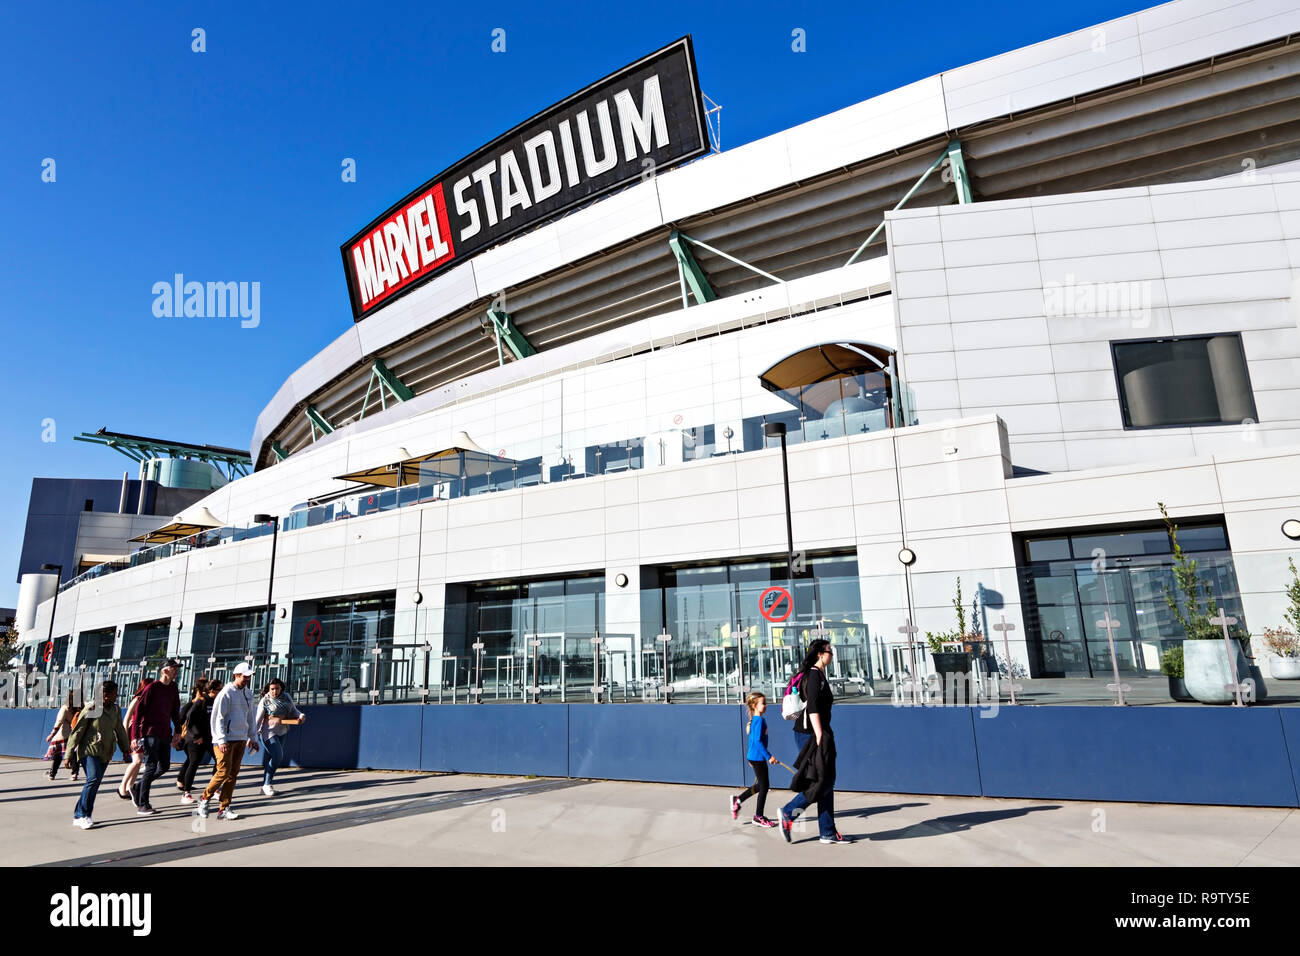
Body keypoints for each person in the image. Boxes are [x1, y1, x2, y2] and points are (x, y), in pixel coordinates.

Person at [780, 639, 851, 845]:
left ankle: (827, 832)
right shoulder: (813, 675)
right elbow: (812, 707)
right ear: (820, 654)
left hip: (817, 732)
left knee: (827, 781)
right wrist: (820, 735)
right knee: (821, 781)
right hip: (811, 734)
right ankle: (788, 812)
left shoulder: (818, 675)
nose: (832, 654)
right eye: (830, 651)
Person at [198, 662, 259, 821]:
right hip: (224, 740)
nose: (247, 679)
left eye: (249, 677)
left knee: (233, 774)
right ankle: (204, 798)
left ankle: (223, 808)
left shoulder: (248, 693)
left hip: (240, 738)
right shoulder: (226, 693)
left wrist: (253, 738)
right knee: (223, 771)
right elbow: (218, 718)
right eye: (244, 676)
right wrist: (221, 739)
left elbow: (250, 717)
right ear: (236, 676)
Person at [65, 680, 130, 830]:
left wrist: (125, 749)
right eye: (114, 693)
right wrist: (68, 755)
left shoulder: (115, 709)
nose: (117, 696)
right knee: (93, 779)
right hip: (89, 750)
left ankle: (78, 814)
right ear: (105, 695)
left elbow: (119, 729)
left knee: (93, 783)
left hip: (106, 751)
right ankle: (84, 815)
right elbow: (77, 732)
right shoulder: (92, 708)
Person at [128, 659, 184, 815]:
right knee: (151, 765)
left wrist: (178, 731)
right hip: (150, 733)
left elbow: (175, 710)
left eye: (177, 669)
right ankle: (143, 804)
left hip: (165, 732)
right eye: (173, 668)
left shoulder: (173, 688)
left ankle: (138, 786)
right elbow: (138, 712)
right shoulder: (152, 688)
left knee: (164, 766)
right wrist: (135, 736)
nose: (176, 671)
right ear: (164, 670)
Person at [731, 691, 778, 828]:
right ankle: (758, 816)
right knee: (764, 786)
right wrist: (769, 756)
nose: (766, 705)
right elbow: (757, 741)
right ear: (755, 706)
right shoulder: (758, 721)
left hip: (754, 757)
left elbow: (753, 741)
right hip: (758, 757)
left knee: (760, 786)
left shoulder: (756, 721)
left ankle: (738, 800)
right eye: (763, 703)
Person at [254, 677, 304, 796]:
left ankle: (266, 784)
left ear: (281, 688)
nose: (274, 691)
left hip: (283, 731)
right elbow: (257, 720)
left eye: (277, 688)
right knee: (278, 756)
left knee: (276, 758)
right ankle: (266, 784)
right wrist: (252, 737)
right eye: (272, 689)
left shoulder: (286, 697)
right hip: (268, 732)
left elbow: (294, 711)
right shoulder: (265, 700)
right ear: (268, 689)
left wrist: (301, 715)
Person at [175, 679, 219, 803]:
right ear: (212, 691)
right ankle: (186, 793)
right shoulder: (201, 702)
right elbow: (189, 720)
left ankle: (214, 789)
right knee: (193, 762)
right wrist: (196, 735)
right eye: (219, 690)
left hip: (210, 738)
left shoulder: (216, 702)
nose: (221, 692)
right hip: (195, 739)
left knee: (219, 760)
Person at [116, 678, 153, 802]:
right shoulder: (137, 699)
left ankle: (130, 787)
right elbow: (126, 719)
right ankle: (122, 787)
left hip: (142, 734)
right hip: (133, 734)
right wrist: (125, 737)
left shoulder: (149, 701)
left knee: (139, 761)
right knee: (136, 761)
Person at [44, 690, 81, 781]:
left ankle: (52, 774)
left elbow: (59, 722)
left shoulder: (65, 708)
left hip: (63, 734)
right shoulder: (80, 709)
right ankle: (74, 773)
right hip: (74, 734)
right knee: (73, 754)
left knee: (58, 755)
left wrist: (51, 735)